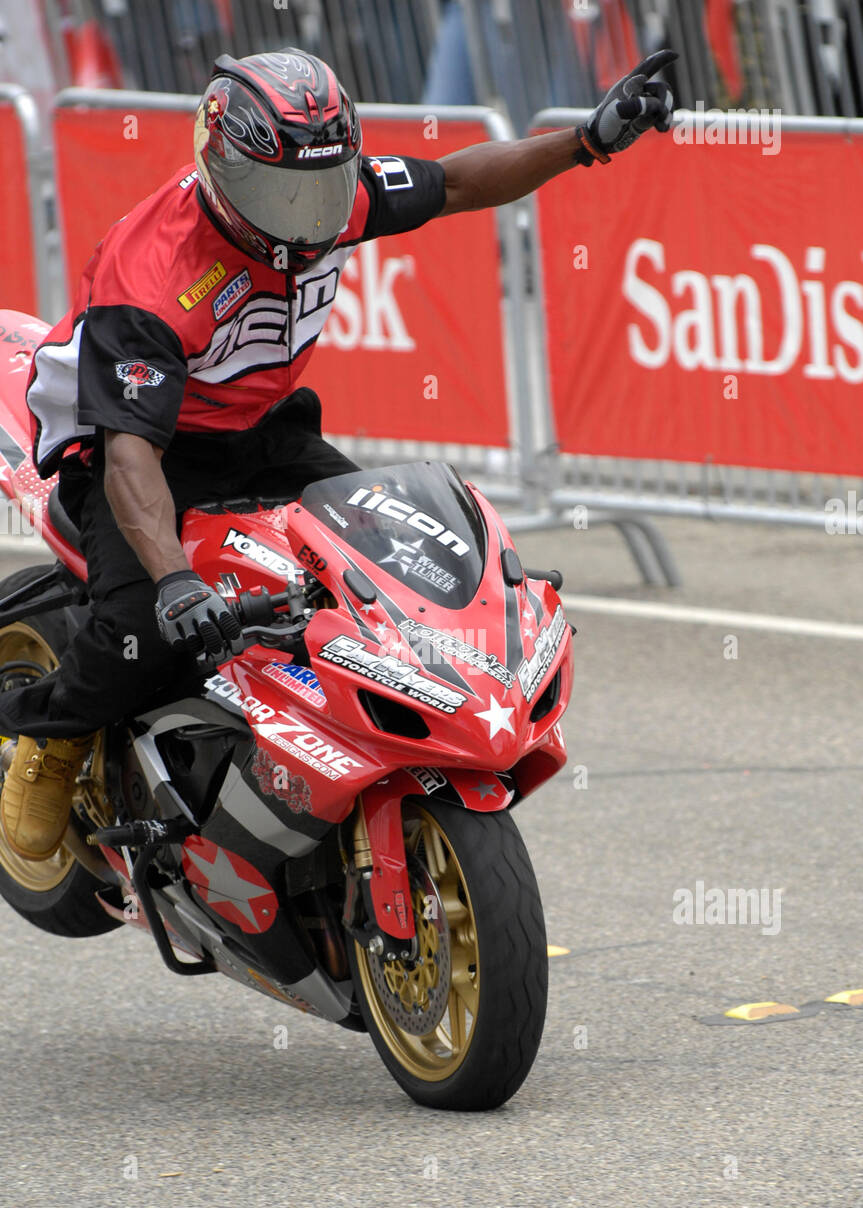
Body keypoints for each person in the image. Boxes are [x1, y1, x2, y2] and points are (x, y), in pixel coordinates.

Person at [0, 45, 675, 860]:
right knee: (145, 623)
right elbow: (130, 455)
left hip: (267, 432)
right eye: (280, 189)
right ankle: (53, 736)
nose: (306, 213)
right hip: (139, 455)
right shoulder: (151, 272)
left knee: (397, 573)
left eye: (321, 186)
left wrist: (585, 142)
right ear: (220, 164)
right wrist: (177, 580)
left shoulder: (336, 195)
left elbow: (459, 182)